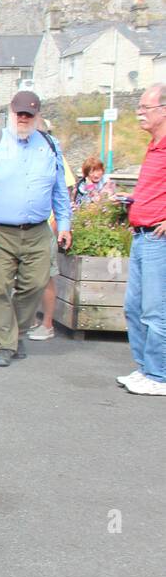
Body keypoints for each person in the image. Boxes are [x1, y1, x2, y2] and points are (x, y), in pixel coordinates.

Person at [0, 91, 72, 367]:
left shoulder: (49, 145)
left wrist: (65, 224)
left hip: (37, 230)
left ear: (38, 116)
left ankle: (17, 332)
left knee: (35, 285)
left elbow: (60, 189)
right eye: (19, 113)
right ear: (10, 113)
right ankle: (2, 344)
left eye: (29, 114)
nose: (23, 118)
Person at [119, 83, 166, 396]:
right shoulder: (154, 145)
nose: (139, 113)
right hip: (141, 235)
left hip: (157, 240)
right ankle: (145, 368)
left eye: (146, 108)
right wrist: (133, 200)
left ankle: (159, 375)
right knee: (133, 307)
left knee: (155, 310)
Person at [28, 119, 76, 342]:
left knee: (46, 276)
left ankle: (47, 323)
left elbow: (65, 193)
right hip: (24, 225)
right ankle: (29, 320)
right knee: (24, 277)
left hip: (46, 225)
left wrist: (59, 225)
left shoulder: (54, 154)